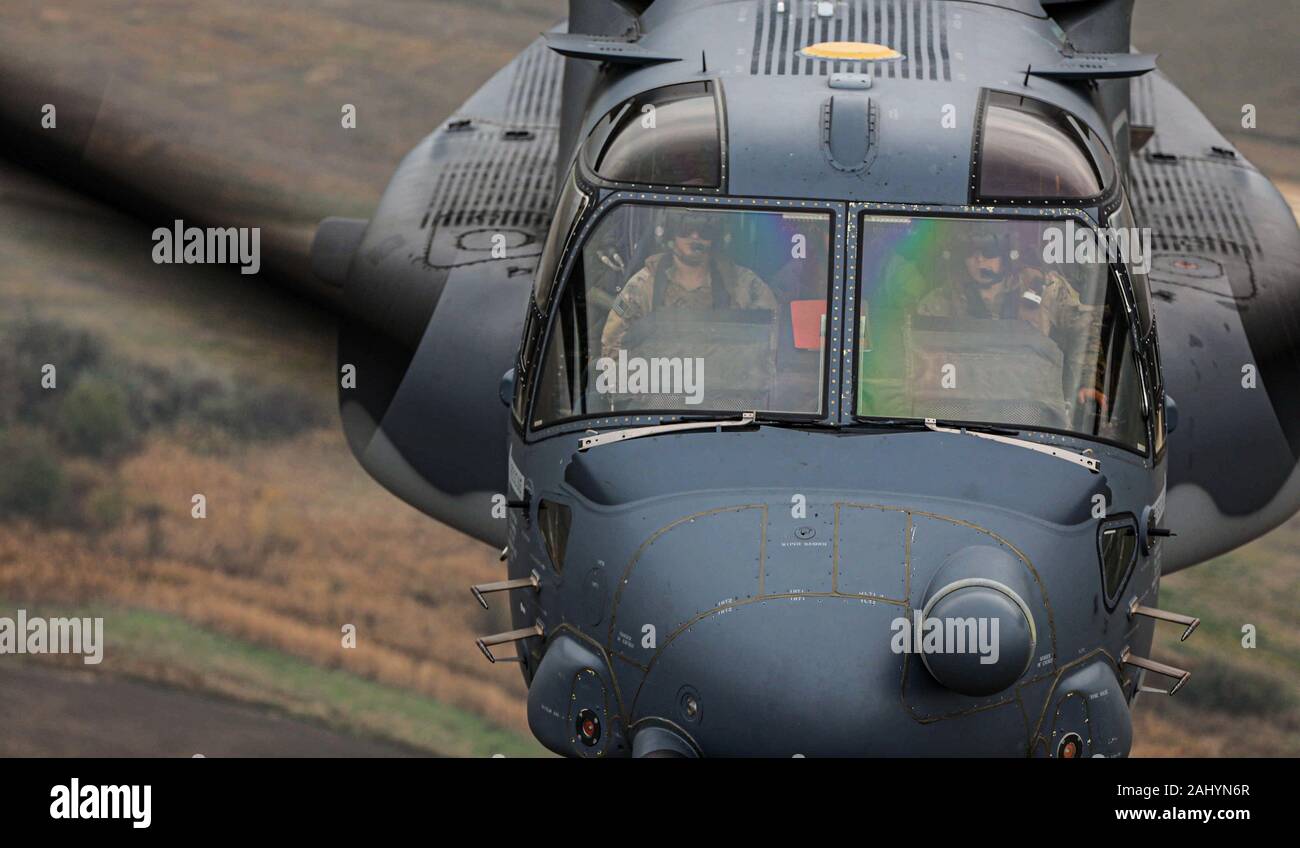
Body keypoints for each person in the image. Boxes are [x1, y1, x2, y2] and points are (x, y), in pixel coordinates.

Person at [914, 229, 1109, 412]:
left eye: (989, 251)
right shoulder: (943, 299)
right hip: (967, 408)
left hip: (1033, 407)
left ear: (1007, 255)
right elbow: (918, 352)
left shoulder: (1043, 287)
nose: (979, 259)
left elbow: (1085, 328)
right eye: (970, 252)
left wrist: (1088, 383)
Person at [599, 210, 777, 359]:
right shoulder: (642, 287)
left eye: (706, 229)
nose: (695, 236)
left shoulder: (746, 286)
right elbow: (613, 349)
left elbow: (771, 350)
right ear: (668, 232)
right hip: (658, 397)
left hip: (726, 398)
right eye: (685, 228)